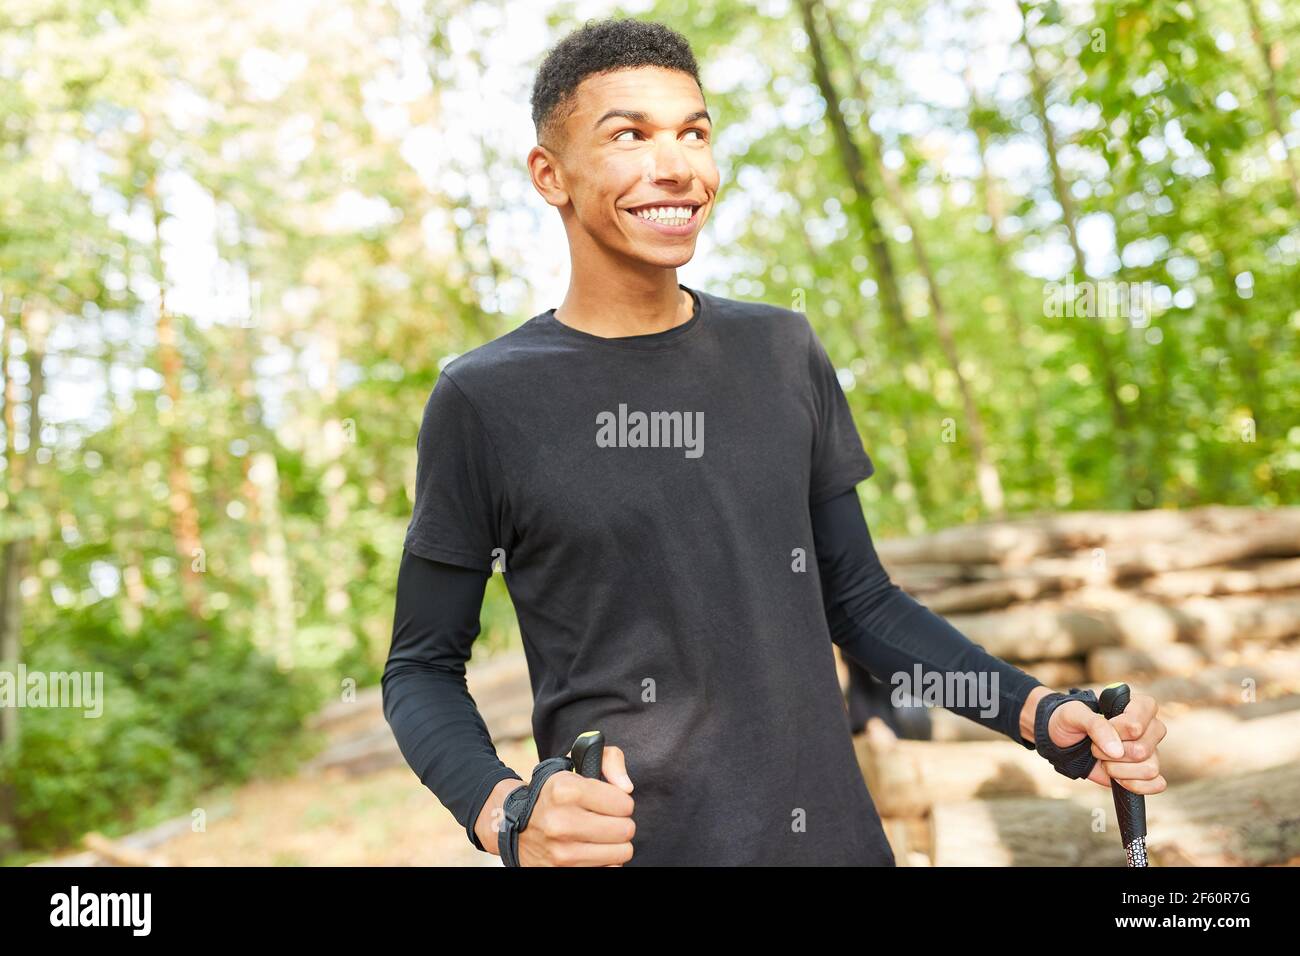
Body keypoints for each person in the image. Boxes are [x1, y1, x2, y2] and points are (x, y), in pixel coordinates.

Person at [382, 17, 1168, 866]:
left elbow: (859, 601)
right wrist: (502, 811)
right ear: (551, 174)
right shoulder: (485, 398)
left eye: (694, 131)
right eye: (630, 135)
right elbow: (420, 667)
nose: (676, 164)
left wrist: (1040, 714)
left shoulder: (781, 351)